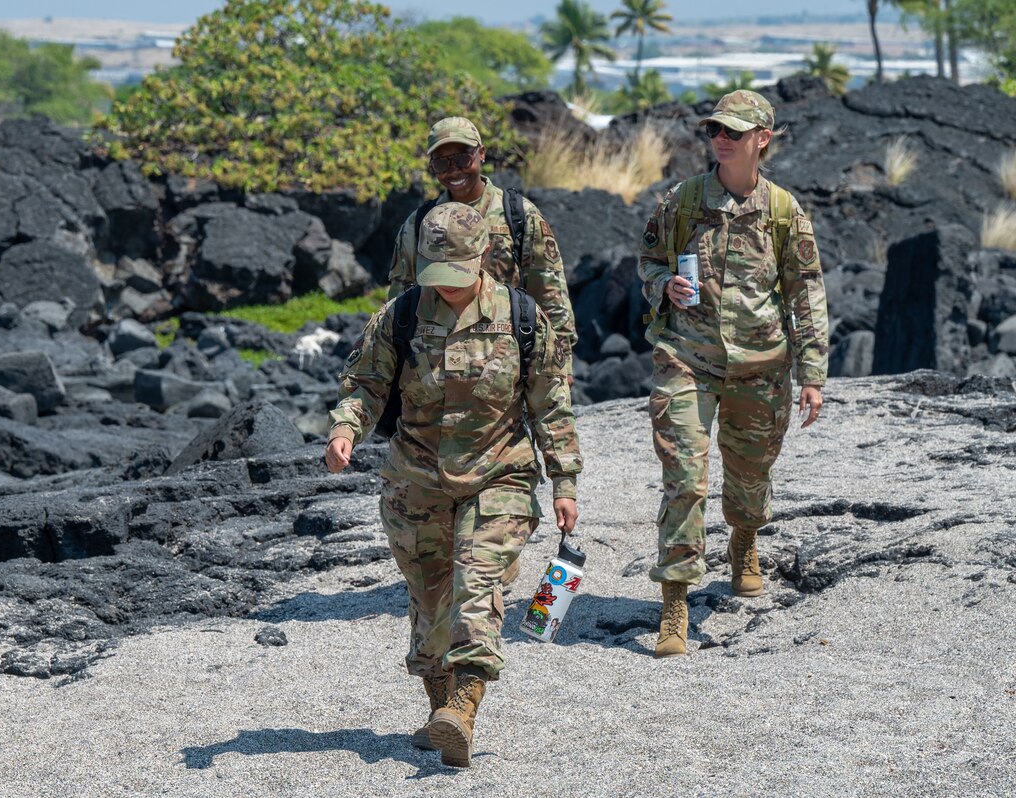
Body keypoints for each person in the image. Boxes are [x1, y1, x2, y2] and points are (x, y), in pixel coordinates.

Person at [327, 202, 582, 768]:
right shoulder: (400, 316)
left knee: (477, 585)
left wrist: (564, 481)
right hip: (415, 482)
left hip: (500, 474)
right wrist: (346, 429)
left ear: (483, 257)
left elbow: (550, 405)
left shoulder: (520, 316)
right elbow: (366, 384)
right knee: (429, 601)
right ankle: (441, 707)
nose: (445, 287)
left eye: (455, 274)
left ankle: (464, 706)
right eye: (435, 274)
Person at [636, 90, 829, 658]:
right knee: (685, 478)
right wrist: (661, 286)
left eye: (734, 131)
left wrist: (813, 372)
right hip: (686, 359)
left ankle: (744, 539)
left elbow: (806, 293)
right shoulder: (683, 201)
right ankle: (675, 601)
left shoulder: (783, 211)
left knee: (750, 473)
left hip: (761, 367)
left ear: (762, 140)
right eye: (715, 129)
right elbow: (647, 261)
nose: (721, 138)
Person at [388, 115, 578, 587]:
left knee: (504, 462)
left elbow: (550, 293)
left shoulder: (518, 215)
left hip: (507, 358)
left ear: (482, 156)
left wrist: (560, 361)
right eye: (441, 160)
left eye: (462, 157)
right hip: (438, 365)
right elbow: (398, 301)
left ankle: (489, 555)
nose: (454, 169)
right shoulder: (419, 227)